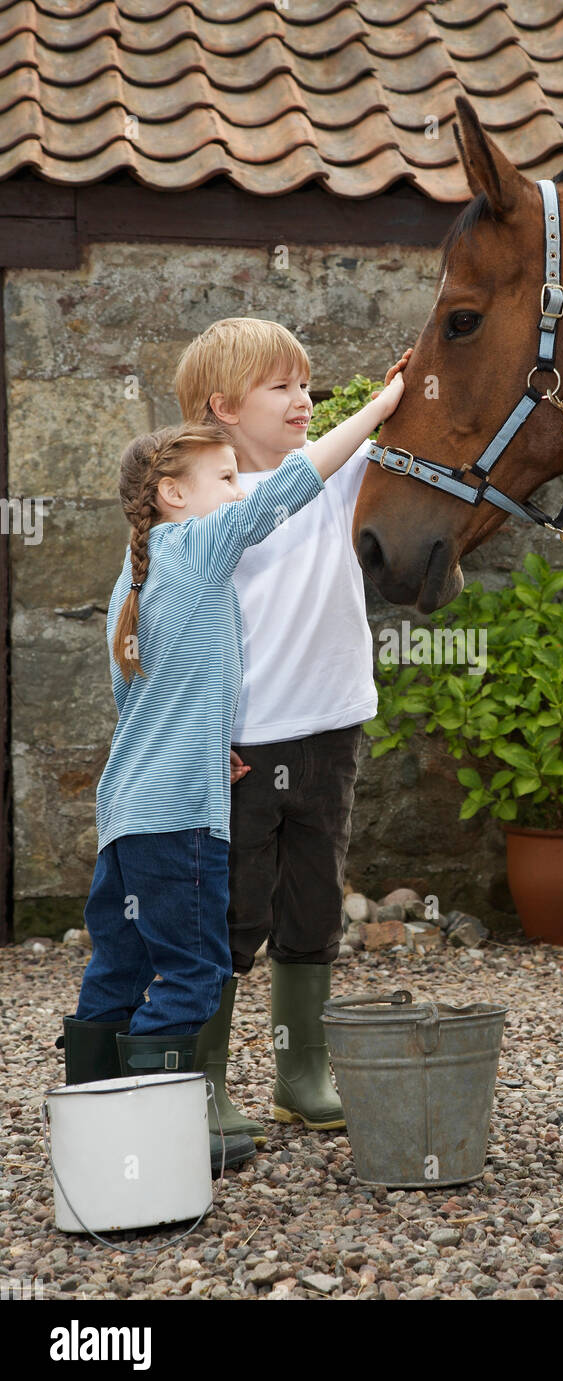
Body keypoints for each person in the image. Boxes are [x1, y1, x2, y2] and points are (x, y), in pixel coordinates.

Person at [61, 363, 404, 1175]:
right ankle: (161, 1140)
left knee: (118, 966)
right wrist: (385, 402)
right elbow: (286, 489)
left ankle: (93, 1134)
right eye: (221, 478)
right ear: (174, 496)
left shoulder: (139, 573)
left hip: (130, 809)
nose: (236, 489)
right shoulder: (201, 544)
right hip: (182, 815)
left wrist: (202, 739)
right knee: (195, 968)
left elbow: (137, 689)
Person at [173, 319, 411, 1146]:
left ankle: (298, 1075)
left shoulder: (341, 478)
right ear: (223, 407)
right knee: (230, 917)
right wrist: (378, 404)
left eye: (307, 384)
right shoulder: (216, 502)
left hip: (330, 734)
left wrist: (414, 393)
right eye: (282, 386)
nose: (304, 400)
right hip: (240, 748)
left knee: (312, 909)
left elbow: (393, 464)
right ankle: (200, 1088)